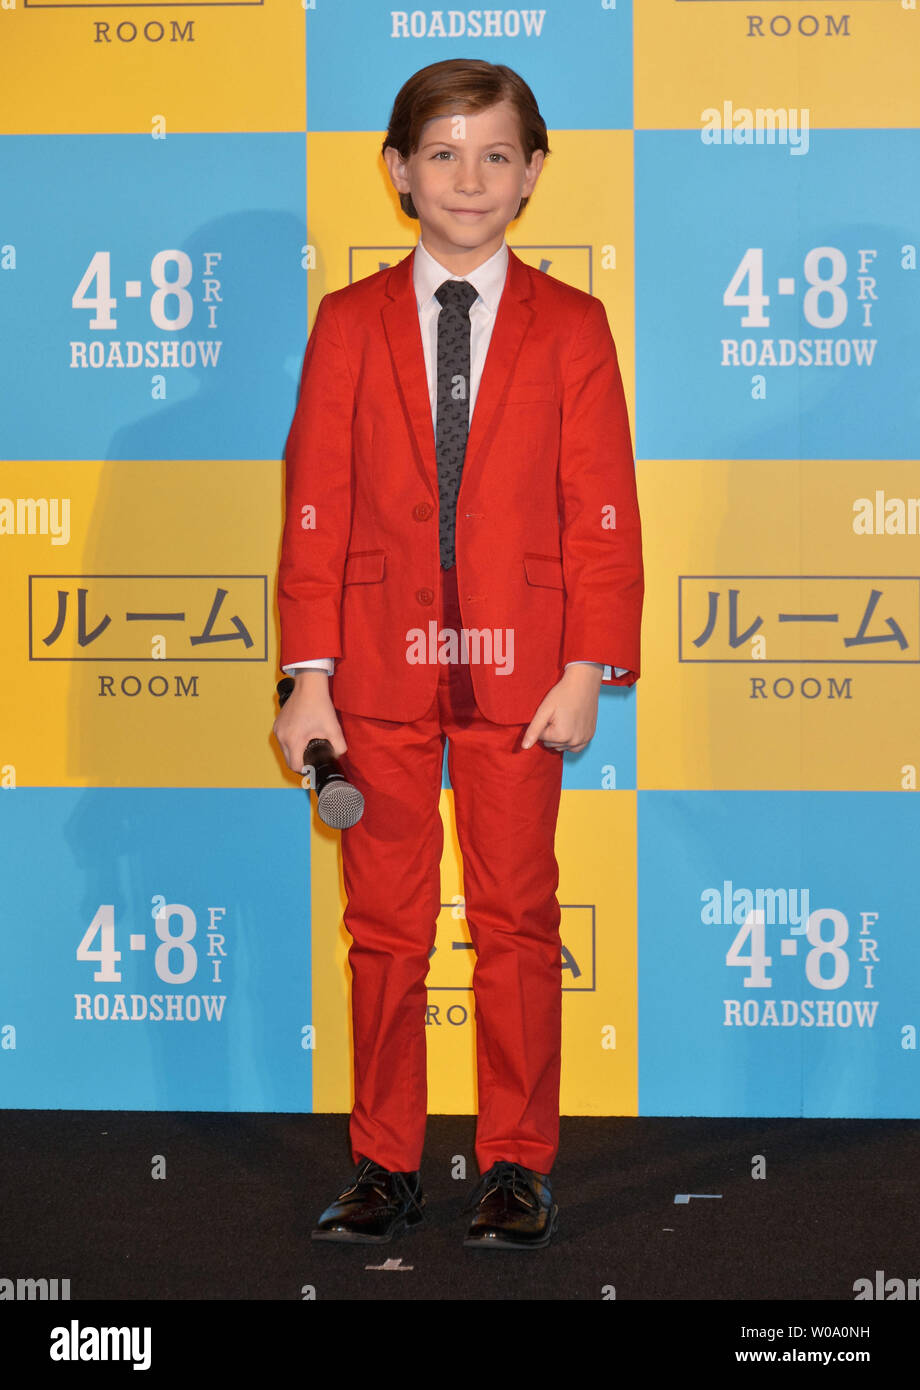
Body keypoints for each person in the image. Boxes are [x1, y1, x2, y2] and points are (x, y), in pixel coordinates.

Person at [274, 58, 643, 1250]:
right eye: (442, 153)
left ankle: (516, 1163)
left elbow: (602, 510)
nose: (468, 177)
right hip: (372, 676)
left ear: (532, 173)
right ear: (396, 172)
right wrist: (307, 673)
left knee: (517, 915)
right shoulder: (346, 322)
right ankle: (383, 1157)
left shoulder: (573, 325)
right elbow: (314, 506)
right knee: (383, 927)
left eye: (494, 154)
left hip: (521, 676)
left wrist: (589, 663)